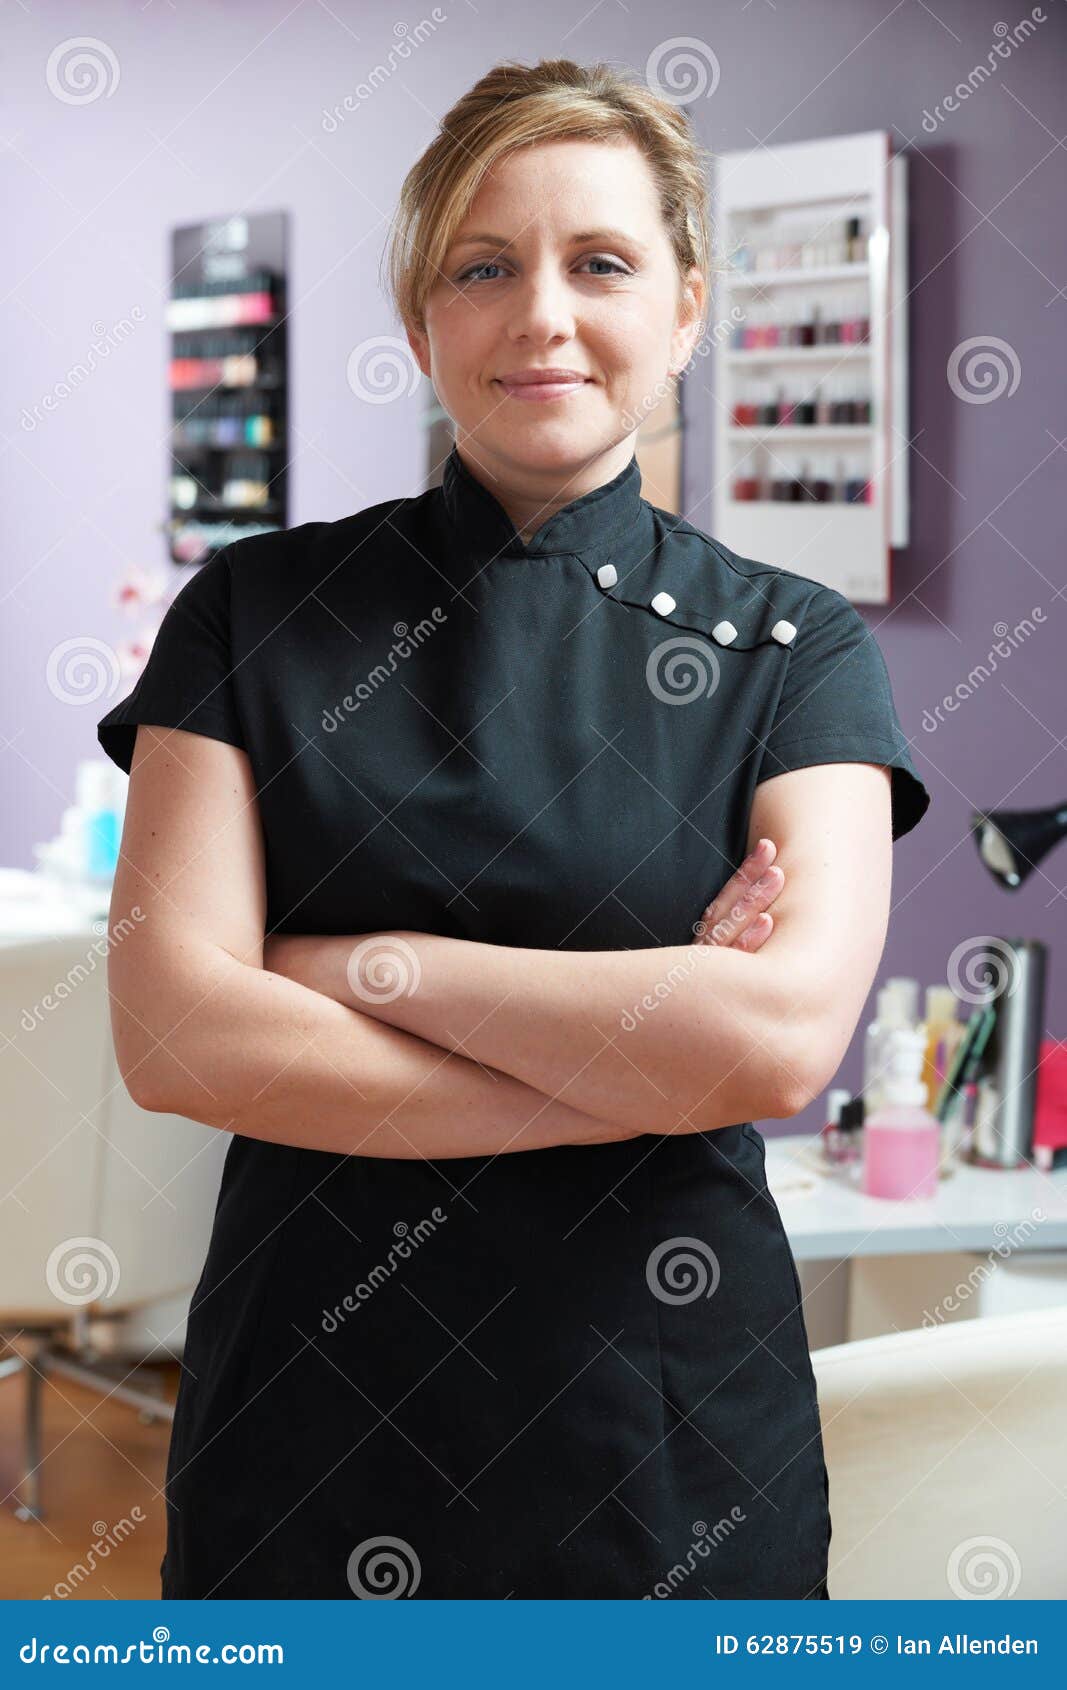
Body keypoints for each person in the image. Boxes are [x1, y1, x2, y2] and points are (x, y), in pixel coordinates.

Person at [97, 57, 929, 1600]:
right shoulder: (251, 619)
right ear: (423, 323)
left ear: (686, 307)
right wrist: (636, 1054)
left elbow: (773, 1042)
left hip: (667, 1454)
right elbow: (176, 1035)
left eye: (600, 262)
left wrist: (362, 967)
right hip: (312, 1426)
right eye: (483, 267)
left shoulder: (795, 650)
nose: (541, 312)